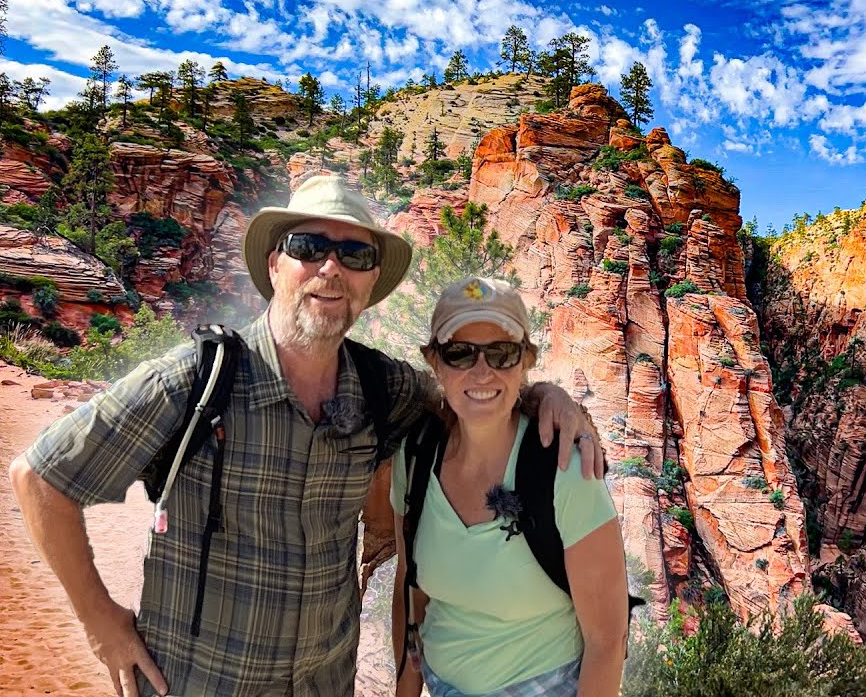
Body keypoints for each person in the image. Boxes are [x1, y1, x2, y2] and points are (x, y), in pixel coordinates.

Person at [7, 174, 603, 697]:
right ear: (274, 264)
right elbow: (40, 478)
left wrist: (547, 396)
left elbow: (475, 390)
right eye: (308, 246)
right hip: (199, 680)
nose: (331, 268)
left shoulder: (382, 388)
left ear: (370, 282)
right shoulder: (196, 380)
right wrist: (99, 620)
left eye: (353, 254)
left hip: (325, 681)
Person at [392, 277, 628, 697]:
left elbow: (607, 640)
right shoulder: (414, 458)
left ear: (524, 362)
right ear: (435, 363)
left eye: (501, 354)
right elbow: (410, 590)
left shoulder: (564, 471)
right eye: (460, 353)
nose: (482, 371)